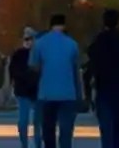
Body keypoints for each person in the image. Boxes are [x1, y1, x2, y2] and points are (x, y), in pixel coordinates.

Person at [84, 9, 119, 148]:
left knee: (107, 129)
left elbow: (91, 64)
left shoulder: (99, 41)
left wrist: (88, 90)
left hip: (104, 89)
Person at [28, 14, 81, 148]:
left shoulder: (40, 43)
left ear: (50, 25)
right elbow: (76, 70)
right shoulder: (72, 44)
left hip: (46, 93)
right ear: (64, 26)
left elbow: (33, 66)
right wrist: (80, 95)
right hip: (68, 93)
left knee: (48, 130)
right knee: (66, 131)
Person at [9, 27, 43, 148]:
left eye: (31, 39)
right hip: (23, 92)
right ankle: (24, 144)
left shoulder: (39, 55)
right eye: (26, 39)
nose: (28, 41)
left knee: (37, 122)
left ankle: (37, 144)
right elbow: (13, 71)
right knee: (23, 122)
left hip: (37, 92)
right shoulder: (19, 54)